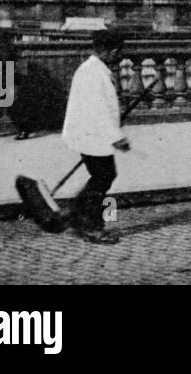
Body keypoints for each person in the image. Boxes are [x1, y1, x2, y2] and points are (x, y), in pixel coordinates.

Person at [61, 31, 130, 244]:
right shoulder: (94, 73)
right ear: (111, 50)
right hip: (92, 134)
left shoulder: (91, 69)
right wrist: (116, 137)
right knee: (104, 177)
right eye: (118, 52)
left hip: (89, 132)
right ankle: (91, 226)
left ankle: (77, 217)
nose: (119, 56)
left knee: (102, 176)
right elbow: (99, 110)